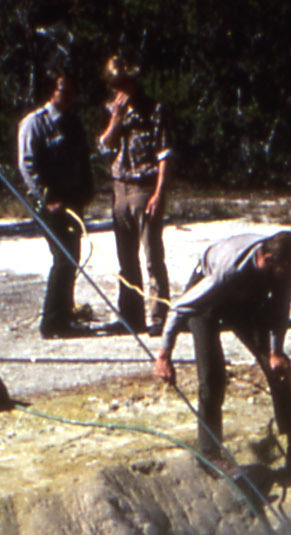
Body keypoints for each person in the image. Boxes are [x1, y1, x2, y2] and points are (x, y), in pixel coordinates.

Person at [154, 232, 291, 464]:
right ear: (266, 259)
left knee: (278, 369)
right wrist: (164, 355)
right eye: (283, 272)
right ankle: (210, 453)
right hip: (208, 303)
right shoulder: (229, 269)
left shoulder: (287, 265)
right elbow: (179, 308)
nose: (287, 277)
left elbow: (280, 307)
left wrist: (276, 351)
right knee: (213, 377)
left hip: (245, 302)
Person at [98, 56, 174, 336]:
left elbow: (165, 154)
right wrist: (115, 121)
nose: (123, 88)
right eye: (117, 84)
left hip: (144, 186)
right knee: (126, 259)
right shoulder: (110, 109)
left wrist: (159, 193)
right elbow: (104, 146)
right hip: (120, 186)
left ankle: (158, 316)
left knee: (152, 256)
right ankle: (130, 315)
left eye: (126, 83)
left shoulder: (154, 110)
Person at [17, 64, 95, 339]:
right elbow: (28, 166)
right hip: (48, 204)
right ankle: (51, 322)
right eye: (64, 89)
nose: (70, 94)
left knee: (72, 257)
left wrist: (87, 190)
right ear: (51, 91)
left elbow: (84, 159)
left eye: (73, 90)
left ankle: (65, 314)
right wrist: (46, 197)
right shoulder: (34, 123)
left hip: (73, 202)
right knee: (63, 257)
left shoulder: (74, 123)